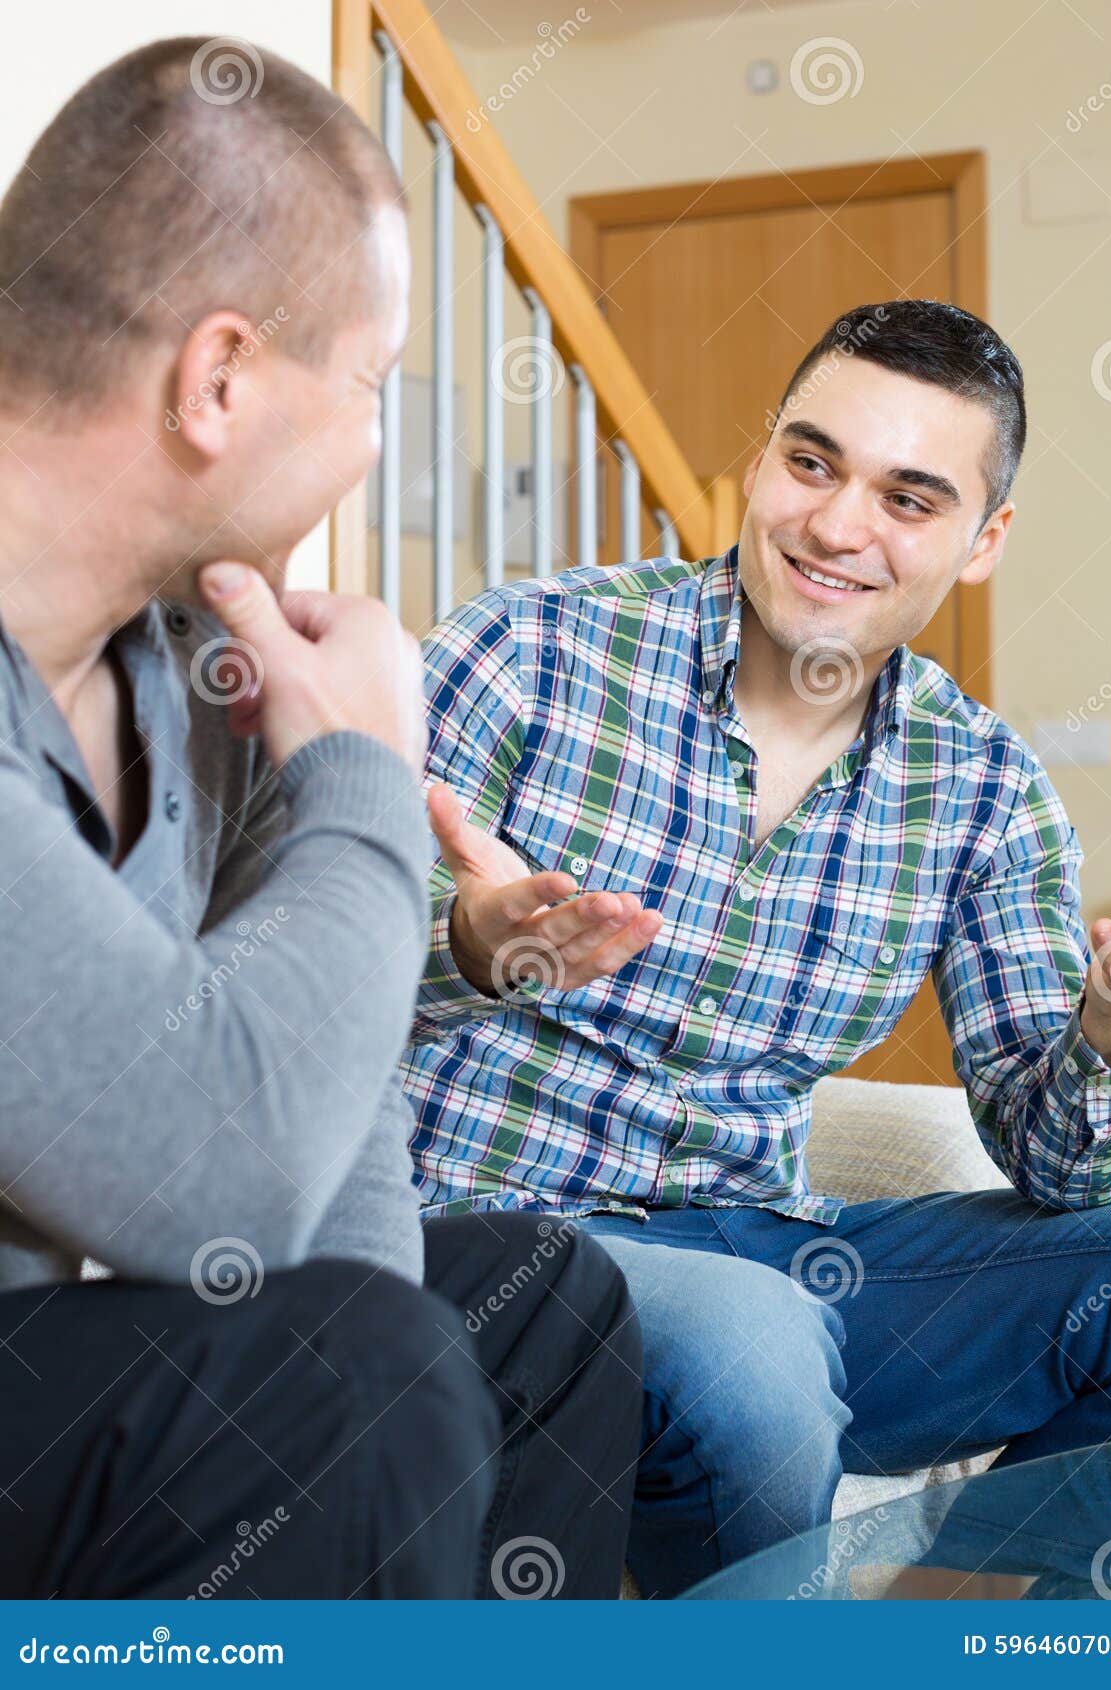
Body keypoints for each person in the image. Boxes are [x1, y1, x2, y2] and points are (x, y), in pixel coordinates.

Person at [406, 297, 1111, 1598]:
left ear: (983, 539)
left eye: (909, 496)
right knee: (752, 1345)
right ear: (760, 460)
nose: (835, 526)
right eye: (812, 462)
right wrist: (465, 942)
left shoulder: (981, 785)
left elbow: (1058, 1163)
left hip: (771, 1244)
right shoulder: (531, 652)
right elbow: (288, 980)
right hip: (494, 1244)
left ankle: (962, 1628)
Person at [0, 37, 638, 1600]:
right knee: (354, 1382)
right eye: (371, 384)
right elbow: (215, 1164)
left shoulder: (188, 668)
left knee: (539, 1306)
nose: (370, 439)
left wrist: (302, 804)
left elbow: (315, 1179)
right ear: (219, 378)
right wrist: (360, 782)